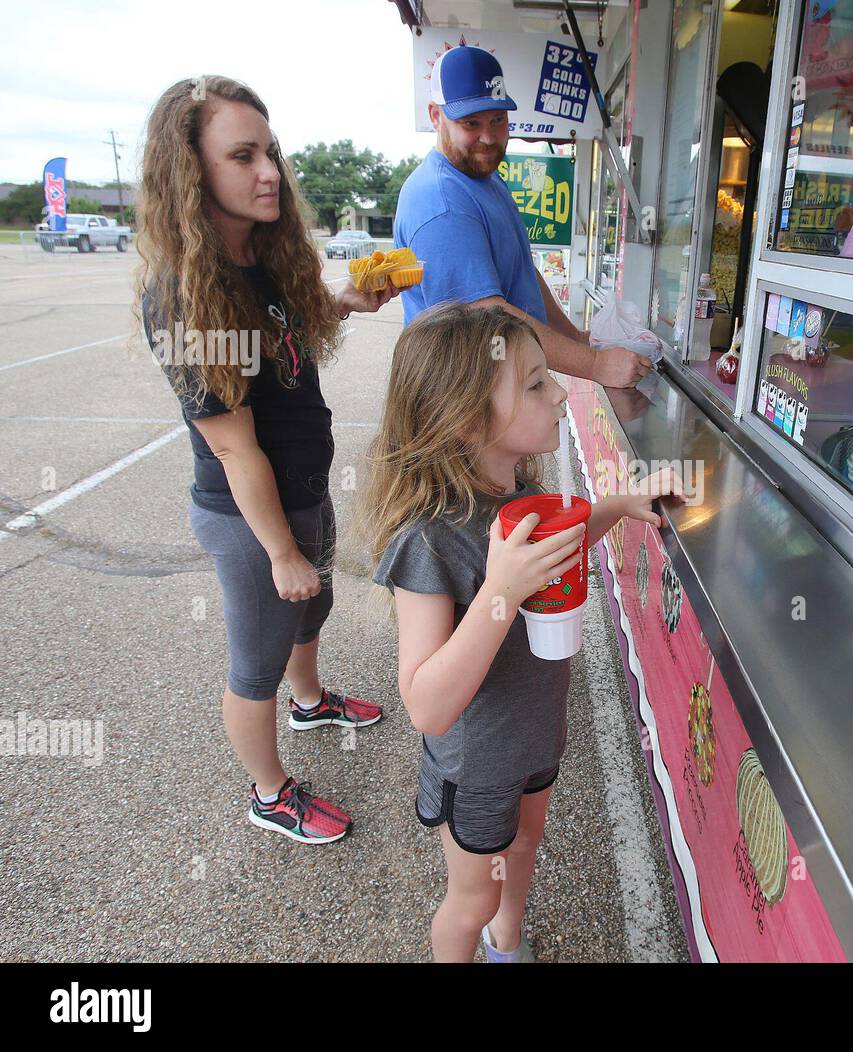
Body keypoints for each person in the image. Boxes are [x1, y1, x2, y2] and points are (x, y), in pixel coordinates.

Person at [355, 302, 681, 961]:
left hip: (537, 737)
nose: (561, 390)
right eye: (535, 383)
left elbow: (558, 545)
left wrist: (619, 506)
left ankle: (508, 946)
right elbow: (426, 703)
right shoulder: (431, 540)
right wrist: (501, 592)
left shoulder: (519, 499)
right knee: (471, 899)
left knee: (523, 853)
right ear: (467, 418)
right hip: (477, 766)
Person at [136, 76, 395, 844]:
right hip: (249, 515)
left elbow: (293, 331)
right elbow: (233, 446)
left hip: (302, 489)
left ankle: (310, 702)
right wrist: (280, 549)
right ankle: (269, 793)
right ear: (192, 172)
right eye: (242, 156)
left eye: (269, 152)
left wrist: (349, 299)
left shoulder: (261, 254)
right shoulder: (182, 293)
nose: (269, 171)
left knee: (314, 607)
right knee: (256, 658)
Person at [394, 44, 651, 391]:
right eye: (471, 123)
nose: (488, 138)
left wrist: (575, 337)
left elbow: (521, 270)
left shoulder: (483, 177)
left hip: (495, 389)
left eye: (498, 119)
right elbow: (486, 317)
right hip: (458, 404)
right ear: (435, 116)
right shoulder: (442, 202)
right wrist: (594, 364)